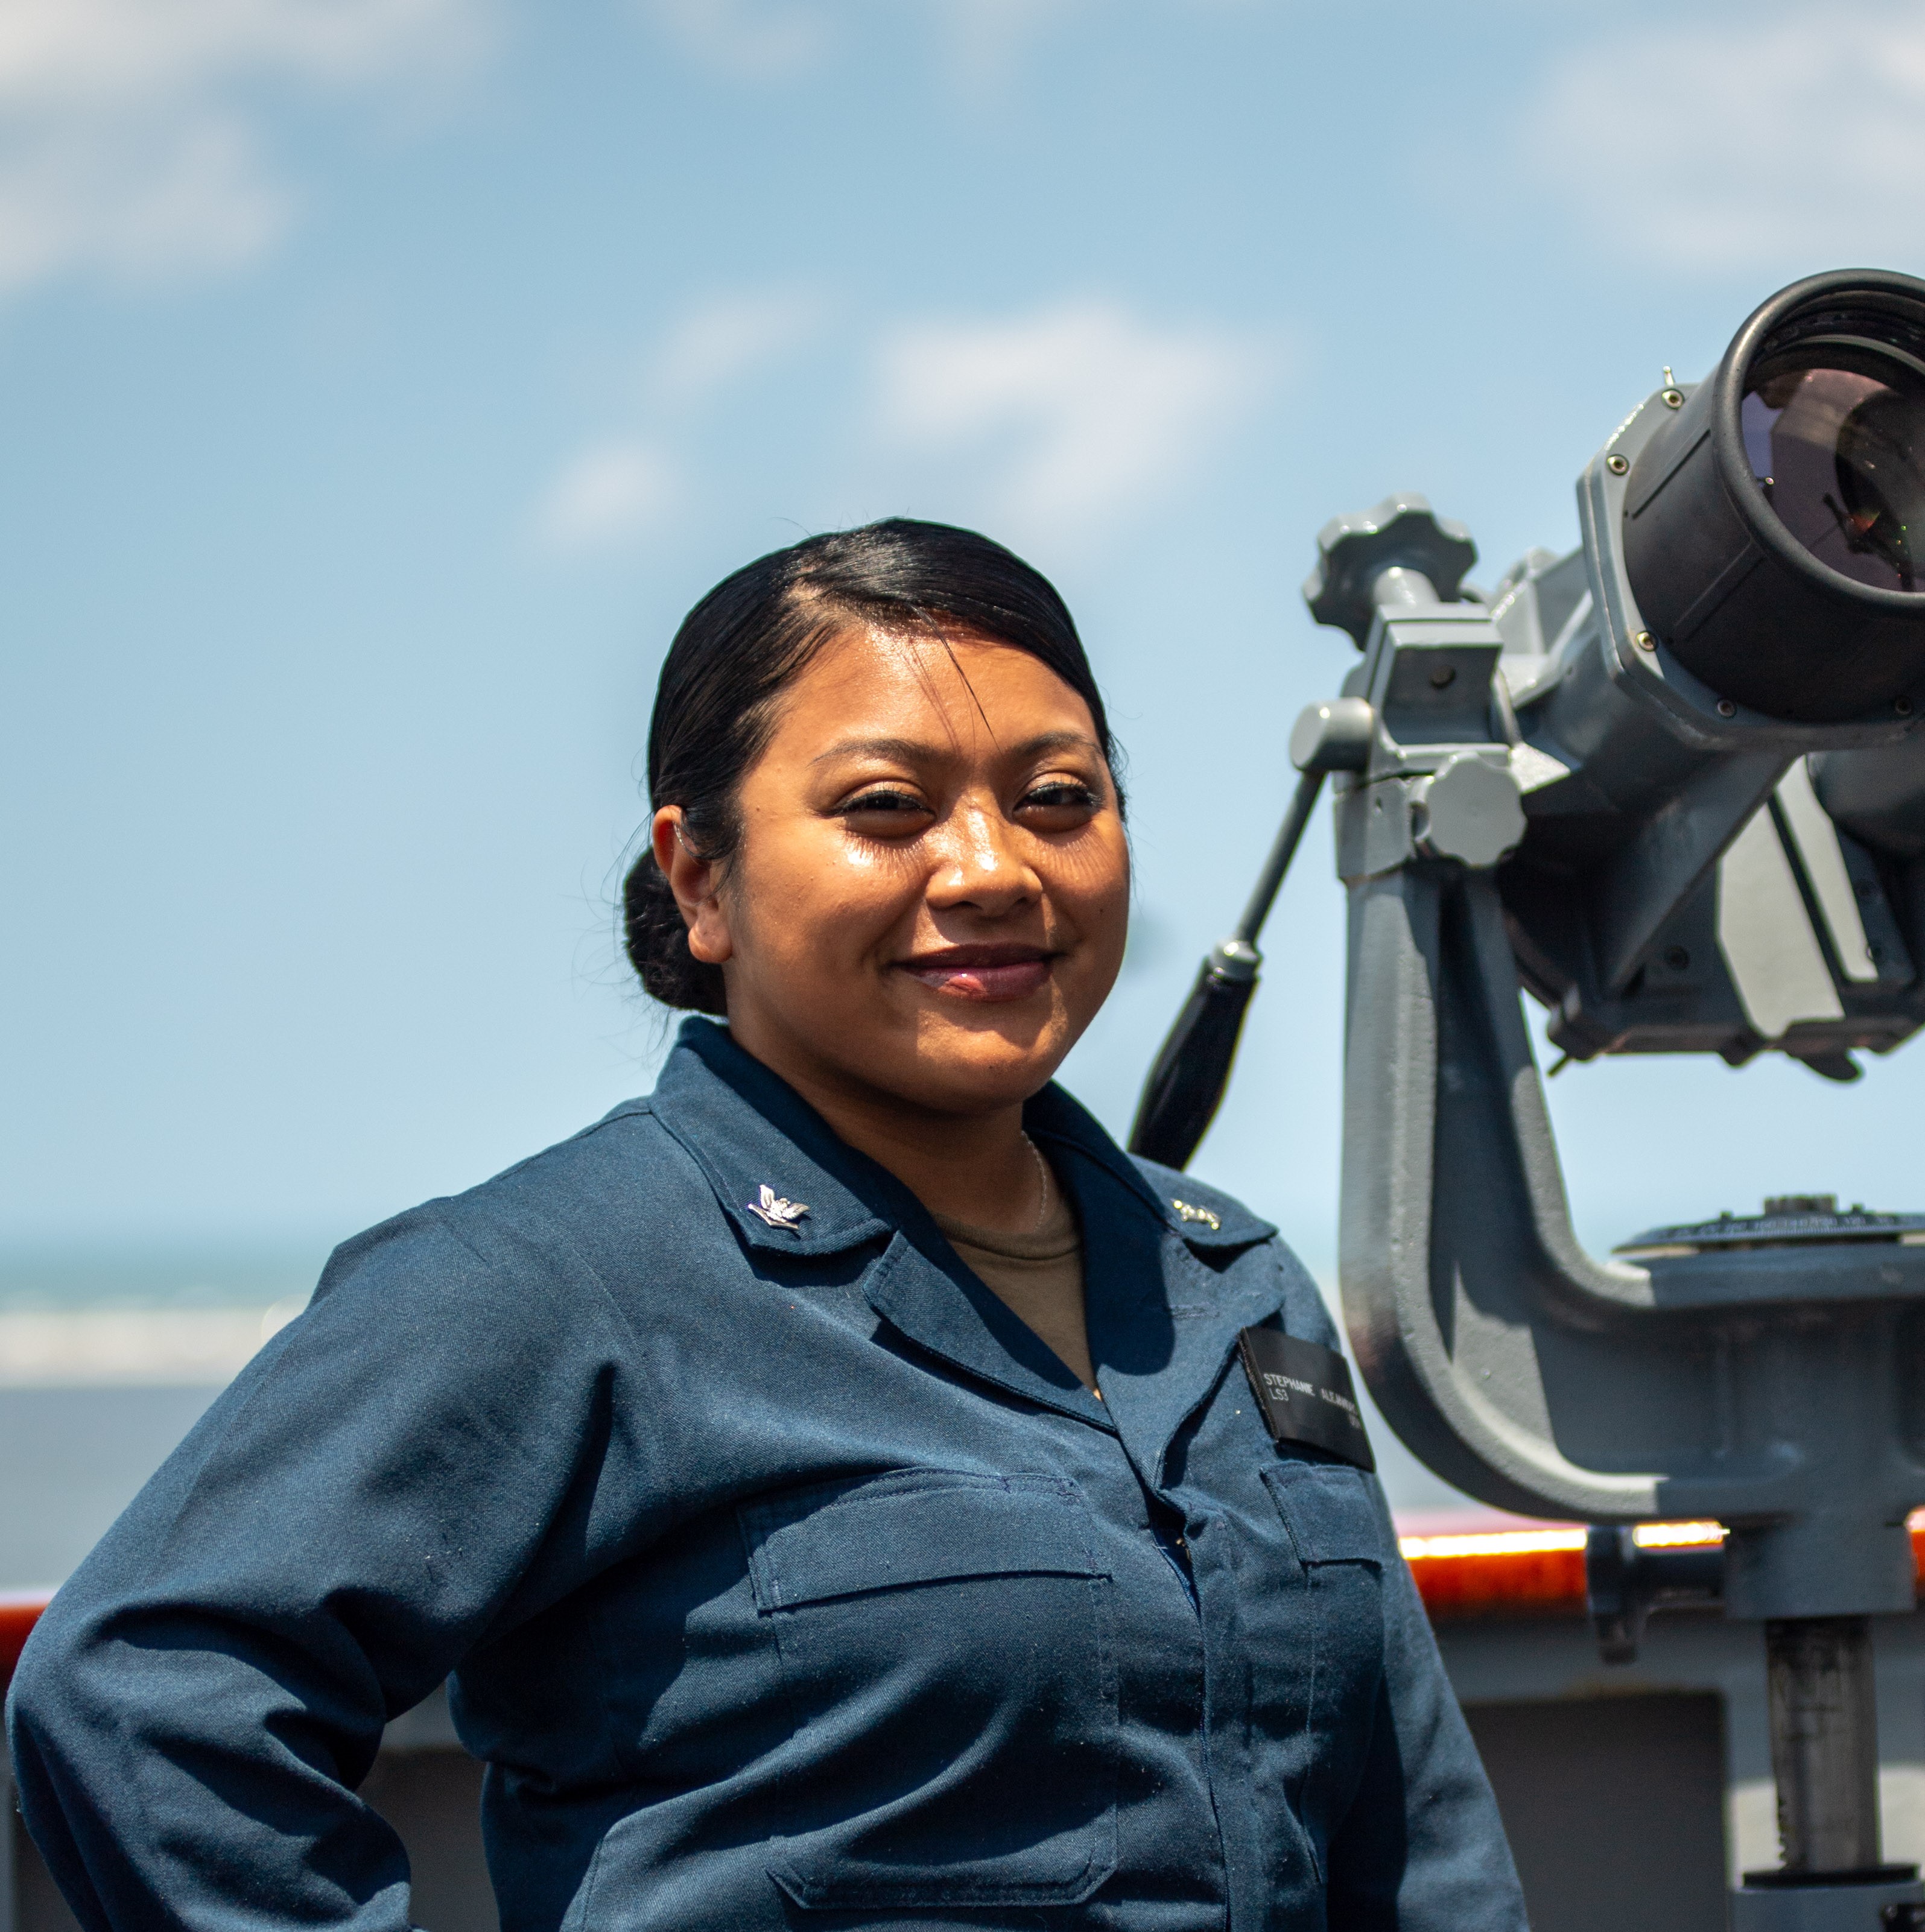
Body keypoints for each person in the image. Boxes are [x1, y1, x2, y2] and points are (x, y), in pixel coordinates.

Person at [7, 519, 1526, 1931]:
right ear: (701, 877)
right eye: (887, 810)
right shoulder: (561, 1279)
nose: (993, 868)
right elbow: (146, 1689)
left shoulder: (1232, 1280)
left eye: (1058, 799)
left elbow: (1419, 1837)